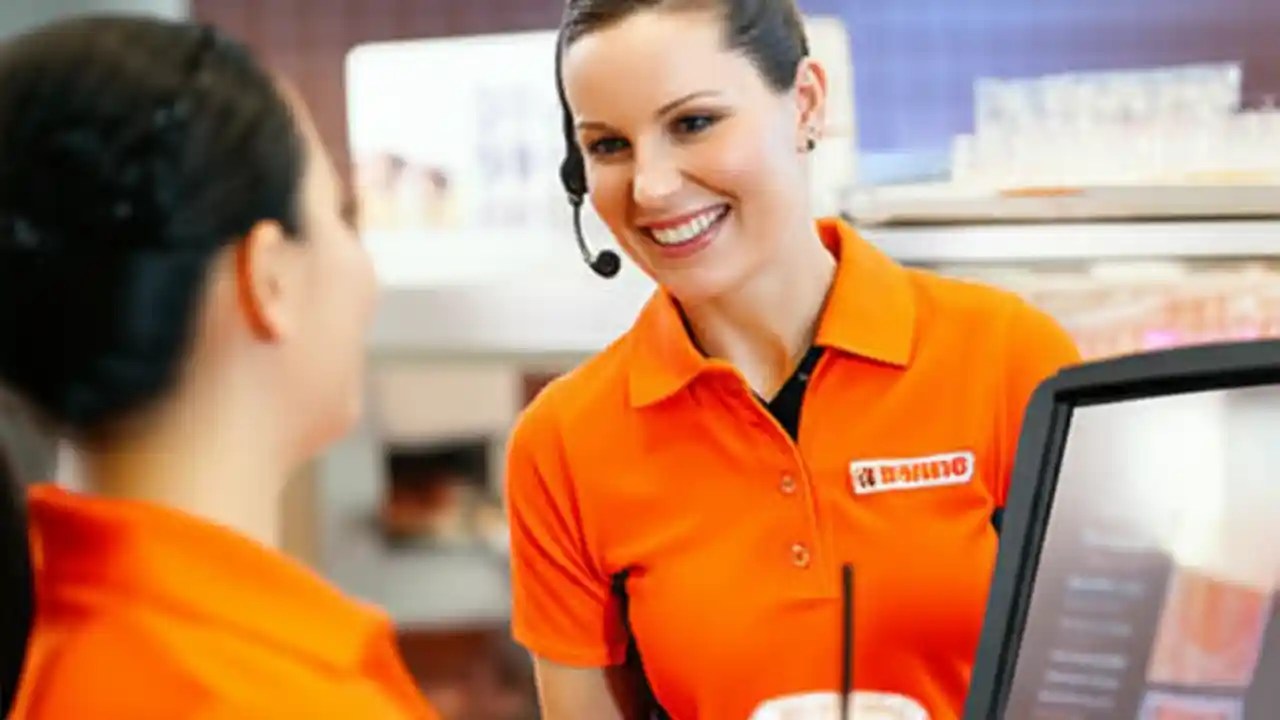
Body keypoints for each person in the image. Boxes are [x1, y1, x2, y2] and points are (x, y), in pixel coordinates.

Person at [503, 1, 1082, 718]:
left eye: (693, 123)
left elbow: (1098, 672)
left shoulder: (1007, 359)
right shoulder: (563, 444)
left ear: (805, 103)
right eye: (608, 146)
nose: (650, 186)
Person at [0, 16, 438, 719]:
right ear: (269, 279)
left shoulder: (64, 648)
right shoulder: (274, 698)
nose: (366, 274)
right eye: (340, 215)